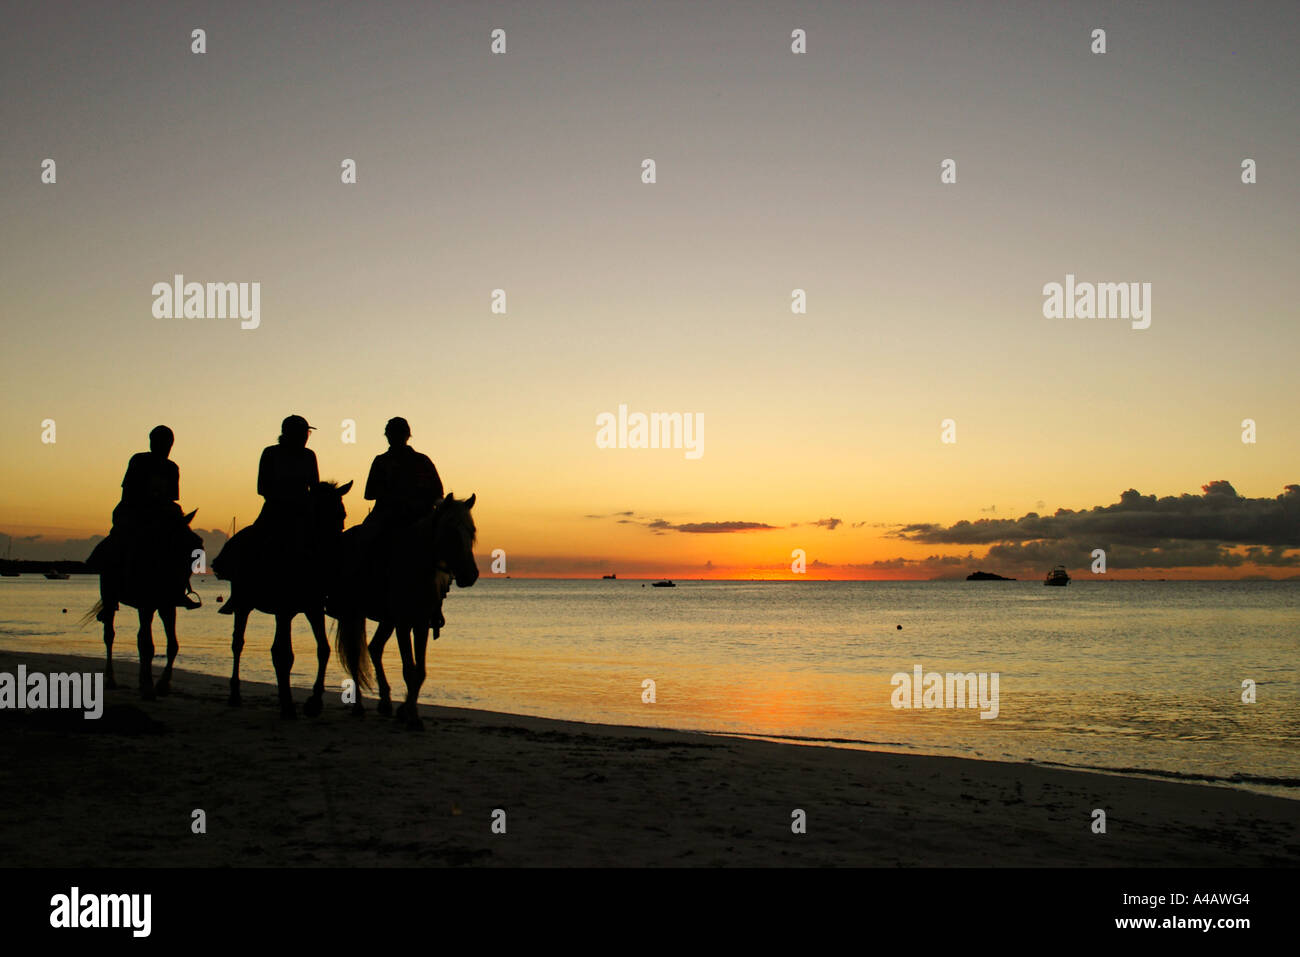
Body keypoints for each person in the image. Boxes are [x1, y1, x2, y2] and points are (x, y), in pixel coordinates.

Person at [101, 425, 197, 615]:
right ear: (152, 442)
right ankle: (111, 595)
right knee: (121, 543)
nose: (165, 447)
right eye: (161, 442)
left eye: (168, 443)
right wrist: (149, 505)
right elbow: (128, 492)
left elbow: (171, 498)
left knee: (193, 544)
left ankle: (180, 587)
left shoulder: (172, 468)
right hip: (134, 510)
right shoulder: (138, 461)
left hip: (162, 513)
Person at [254, 414, 320, 556]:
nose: (305, 437)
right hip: (275, 511)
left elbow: (315, 487)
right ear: (290, 434)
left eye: (306, 433)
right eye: (302, 433)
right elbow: (262, 488)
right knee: (254, 543)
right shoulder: (270, 453)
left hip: (304, 511)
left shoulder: (309, 455)